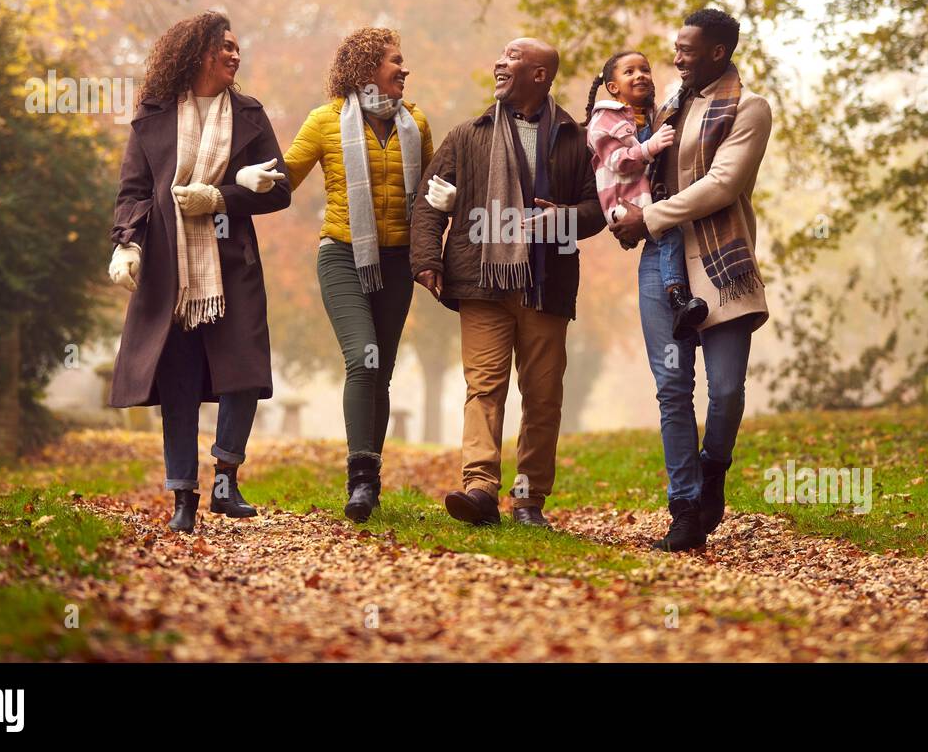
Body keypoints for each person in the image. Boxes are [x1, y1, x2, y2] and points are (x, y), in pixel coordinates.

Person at [409, 37, 605, 528]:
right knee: (484, 386)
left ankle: (528, 500)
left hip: (546, 282)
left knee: (542, 394)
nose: (499, 61)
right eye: (500, 54)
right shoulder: (466, 135)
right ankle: (478, 488)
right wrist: (428, 258)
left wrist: (562, 220)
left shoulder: (575, 138)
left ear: (540, 75)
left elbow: (598, 208)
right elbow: (429, 204)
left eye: (512, 57)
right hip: (480, 280)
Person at [108, 11, 291, 534]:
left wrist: (226, 194)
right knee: (179, 378)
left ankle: (226, 476)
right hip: (170, 268)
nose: (235, 55)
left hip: (232, 264)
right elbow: (134, 192)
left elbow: (280, 190)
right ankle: (183, 494)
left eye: (238, 47)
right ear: (197, 53)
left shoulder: (250, 114)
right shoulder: (155, 113)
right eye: (225, 47)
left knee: (244, 371)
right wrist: (127, 245)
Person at [609, 8, 772, 552]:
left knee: (725, 390)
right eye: (676, 48)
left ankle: (713, 469)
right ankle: (684, 507)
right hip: (663, 262)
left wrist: (649, 218)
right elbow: (619, 165)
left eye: (687, 49)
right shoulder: (666, 109)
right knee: (674, 390)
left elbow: (723, 185)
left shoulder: (750, 109)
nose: (675, 58)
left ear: (718, 52)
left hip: (721, 262)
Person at [283, 28, 434, 523]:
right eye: (396, 60)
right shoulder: (326, 120)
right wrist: (243, 180)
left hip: (397, 262)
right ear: (368, 67)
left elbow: (431, 198)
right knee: (364, 361)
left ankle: (371, 477)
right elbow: (285, 175)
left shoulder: (417, 123)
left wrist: (443, 209)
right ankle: (360, 480)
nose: (404, 69)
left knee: (382, 371)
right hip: (344, 255)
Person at [584, 49, 708, 340]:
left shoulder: (652, 114)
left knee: (670, 234)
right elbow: (617, 162)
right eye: (629, 72)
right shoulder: (604, 119)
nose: (640, 75)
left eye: (645, 69)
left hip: (646, 198)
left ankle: (683, 317)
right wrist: (650, 147)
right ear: (613, 87)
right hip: (623, 200)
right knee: (671, 234)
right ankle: (677, 298)